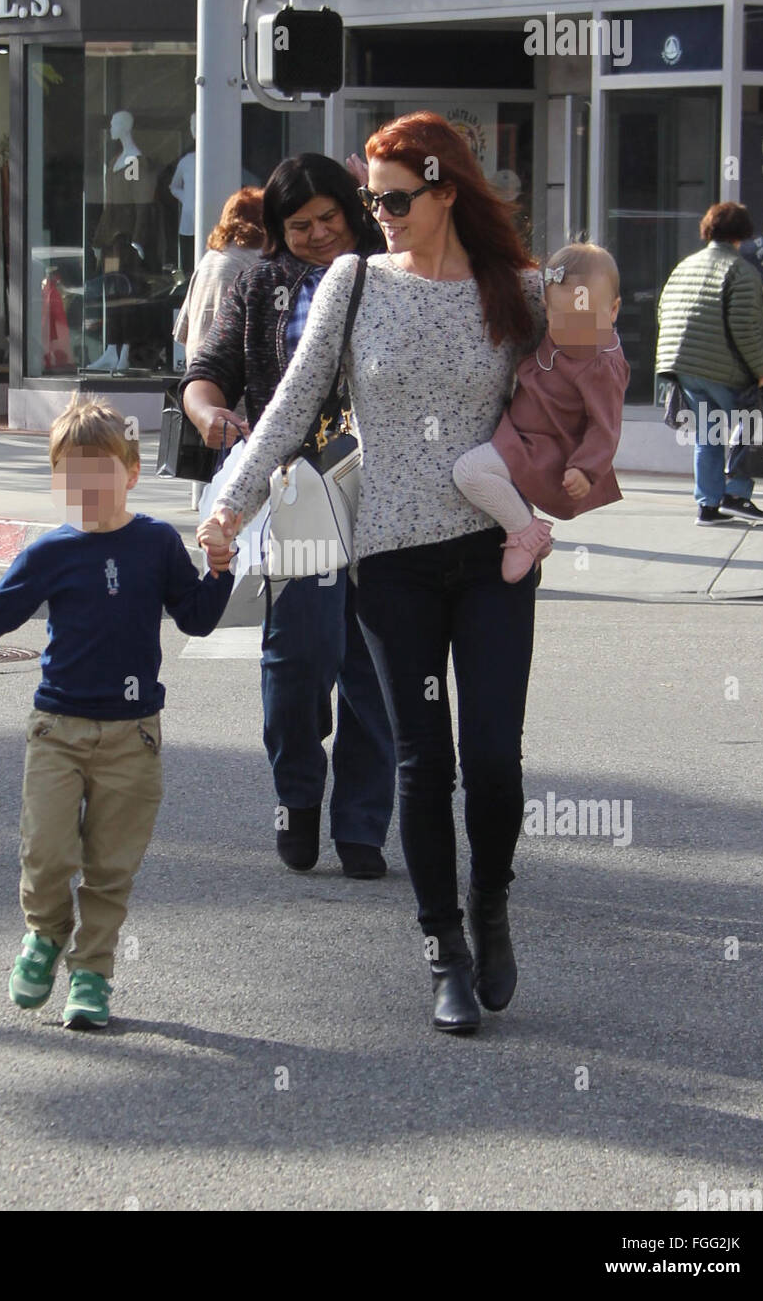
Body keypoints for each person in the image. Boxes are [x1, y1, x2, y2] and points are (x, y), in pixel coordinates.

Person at [199, 112, 544, 1034]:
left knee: (497, 761)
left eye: (394, 198)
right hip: (390, 557)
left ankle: (491, 905)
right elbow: (293, 402)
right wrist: (233, 505)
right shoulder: (352, 283)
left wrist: (574, 477)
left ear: (446, 192)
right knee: (423, 761)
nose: (375, 213)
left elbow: (575, 387)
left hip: (492, 555)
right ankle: (443, 949)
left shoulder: (515, 289)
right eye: (370, 198)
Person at [0, 400, 231, 1030]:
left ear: (130, 473)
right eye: (71, 475)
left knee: (110, 868)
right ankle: (44, 936)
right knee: (46, 856)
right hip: (57, 732)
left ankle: (92, 974)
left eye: (99, 472)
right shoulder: (50, 553)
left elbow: (197, 618)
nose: (86, 488)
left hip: (134, 736)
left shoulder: (155, 543)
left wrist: (221, 568)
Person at [182, 154, 395, 880]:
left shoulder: (391, 273)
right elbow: (206, 370)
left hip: (385, 493)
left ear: (353, 210)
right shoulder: (258, 283)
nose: (314, 235)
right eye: (296, 225)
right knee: (297, 664)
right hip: (296, 493)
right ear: (274, 229)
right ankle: (297, 798)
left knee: (375, 668)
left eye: (328, 219)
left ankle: (362, 825)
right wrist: (209, 412)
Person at [452, 243, 630, 582]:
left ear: (613, 311)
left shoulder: (601, 365)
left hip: (545, 447)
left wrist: (586, 468)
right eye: (558, 319)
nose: (569, 331)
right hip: (517, 430)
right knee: (473, 471)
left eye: (582, 320)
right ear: (546, 308)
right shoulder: (562, 330)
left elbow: (605, 426)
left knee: (469, 472)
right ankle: (524, 529)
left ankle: (527, 534)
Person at [655, 202, 763, 524]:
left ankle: (708, 505)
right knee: (749, 422)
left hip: (685, 367)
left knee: (708, 435)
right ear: (743, 233)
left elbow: (664, 311)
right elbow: (746, 329)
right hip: (723, 368)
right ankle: (735, 494)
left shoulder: (685, 266)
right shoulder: (740, 271)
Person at [173, 186, 265, 508]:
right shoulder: (257, 263)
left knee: (213, 473)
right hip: (237, 393)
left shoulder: (210, 259)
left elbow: (182, 329)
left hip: (201, 381)